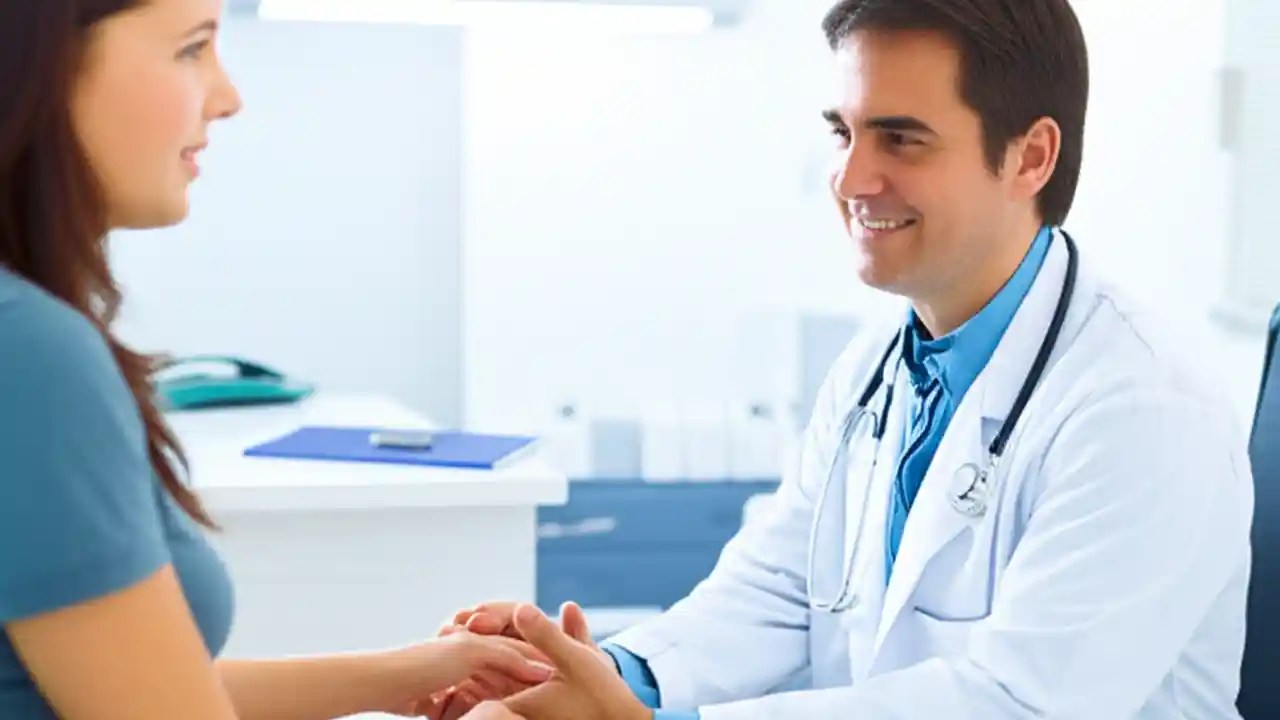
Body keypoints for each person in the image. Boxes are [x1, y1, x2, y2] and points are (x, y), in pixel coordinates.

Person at [439, 0, 1255, 718]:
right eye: (843, 131)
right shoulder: (876, 365)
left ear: (1031, 157)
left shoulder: (1144, 408)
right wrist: (601, 673)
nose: (851, 177)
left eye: (901, 139)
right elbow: (779, 592)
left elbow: (1022, 704)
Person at [0, 1, 552, 718]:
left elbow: (117, 690)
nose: (228, 98)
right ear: (37, 60)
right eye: (192, 49)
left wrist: (425, 670)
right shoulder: (33, 357)